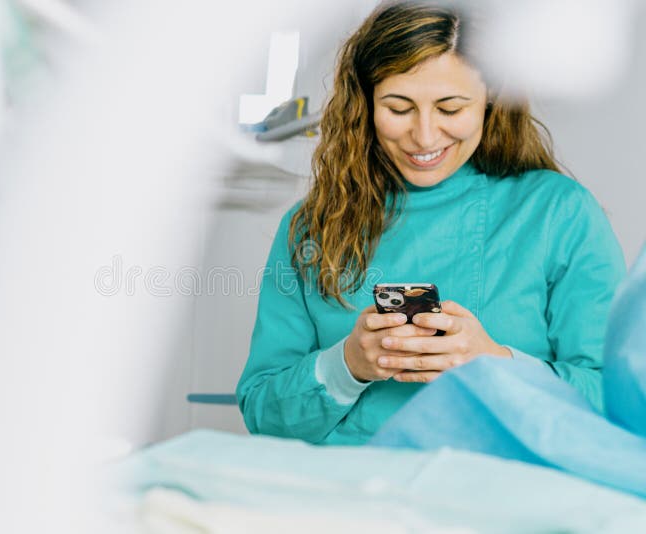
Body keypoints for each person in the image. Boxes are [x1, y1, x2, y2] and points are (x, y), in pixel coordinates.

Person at [236, 0, 626, 445]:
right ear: (365, 102)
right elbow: (262, 411)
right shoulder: (311, 226)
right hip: (346, 496)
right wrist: (347, 364)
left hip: (501, 493)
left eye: (450, 108)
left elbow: (620, 406)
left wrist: (494, 365)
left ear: (490, 100)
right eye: (399, 108)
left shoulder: (559, 213)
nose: (423, 136)